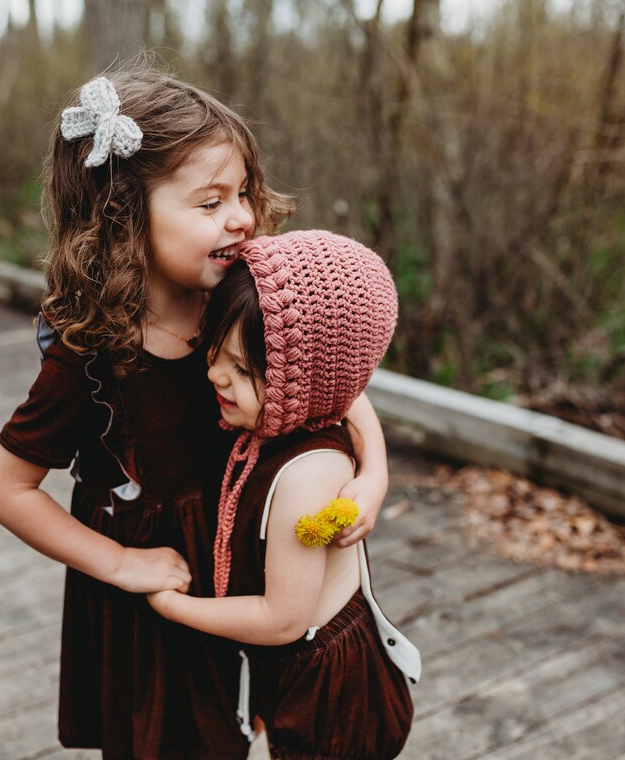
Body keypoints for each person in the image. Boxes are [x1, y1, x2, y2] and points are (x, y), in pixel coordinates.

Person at [0, 66, 391, 759]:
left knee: (268, 729)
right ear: (123, 216)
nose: (242, 217)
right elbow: (3, 489)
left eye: (243, 194)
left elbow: (329, 382)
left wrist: (372, 470)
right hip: (158, 593)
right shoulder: (89, 354)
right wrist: (118, 563)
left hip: (257, 574)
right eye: (210, 203)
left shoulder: (243, 293)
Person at [148, 231, 421, 760]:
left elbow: (283, 619)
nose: (214, 375)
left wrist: (175, 608)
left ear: (308, 385)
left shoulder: (305, 481)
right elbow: (349, 387)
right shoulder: (296, 409)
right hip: (293, 670)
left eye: (242, 370)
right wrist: (377, 470)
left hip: (328, 696)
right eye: (214, 351)